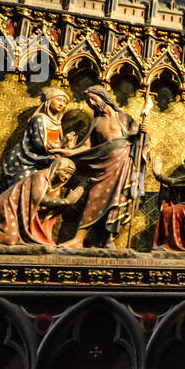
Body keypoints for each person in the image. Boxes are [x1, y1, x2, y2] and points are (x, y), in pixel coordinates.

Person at [56, 84, 141, 248]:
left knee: (118, 199)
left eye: (93, 99)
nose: (92, 104)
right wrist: (68, 152)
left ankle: (109, 239)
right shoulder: (96, 122)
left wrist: (142, 132)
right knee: (94, 197)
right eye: (89, 102)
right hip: (104, 165)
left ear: (103, 97)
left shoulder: (123, 118)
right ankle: (78, 239)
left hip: (124, 163)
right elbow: (86, 146)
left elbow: (139, 138)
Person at [0, 157, 81, 247]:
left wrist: (66, 203)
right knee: (9, 239)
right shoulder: (40, 177)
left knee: (11, 239)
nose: (67, 177)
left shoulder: (55, 187)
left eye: (70, 175)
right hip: (9, 205)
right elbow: (39, 199)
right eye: (66, 172)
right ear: (57, 168)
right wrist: (65, 201)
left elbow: (49, 210)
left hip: (20, 213)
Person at [0, 87, 72, 190]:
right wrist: (59, 146)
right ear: (48, 100)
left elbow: (57, 144)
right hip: (26, 160)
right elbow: (39, 144)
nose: (62, 104)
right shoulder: (39, 118)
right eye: (59, 100)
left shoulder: (58, 124)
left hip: (44, 161)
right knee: (26, 185)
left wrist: (66, 143)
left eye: (65, 102)